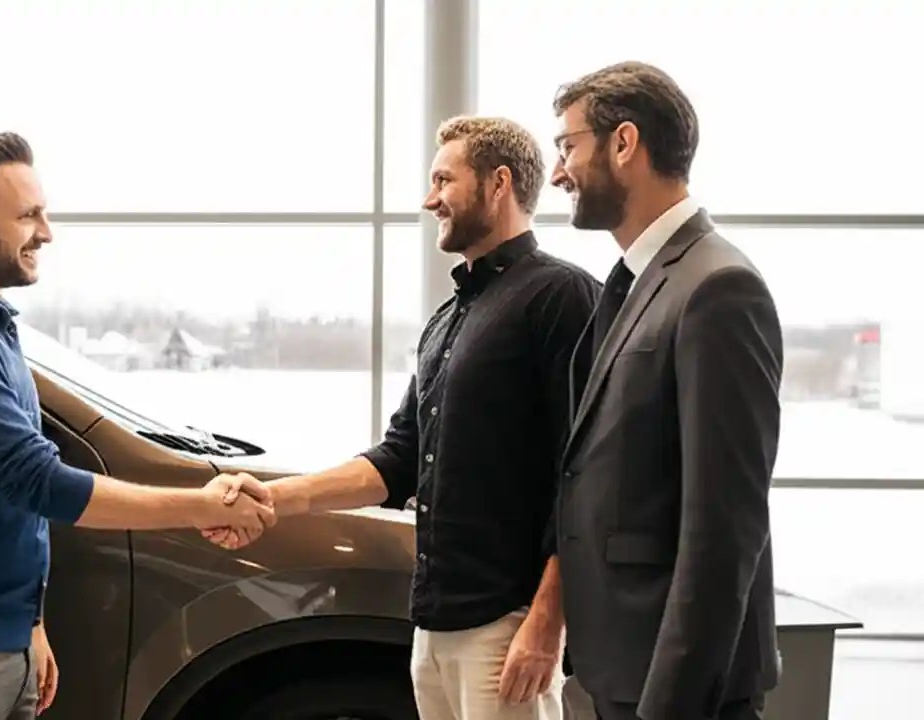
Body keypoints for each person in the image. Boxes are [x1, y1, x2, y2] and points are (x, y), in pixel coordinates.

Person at [0, 130, 275, 720]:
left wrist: (28, 623)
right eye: (28, 215)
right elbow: (38, 483)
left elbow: (5, 504)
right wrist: (203, 507)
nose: (46, 232)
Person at [205, 116, 600, 720]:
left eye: (444, 178)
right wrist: (275, 499)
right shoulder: (448, 319)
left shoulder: (562, 297)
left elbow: (582, 476)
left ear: (498, 183)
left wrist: (547, 625)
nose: (428, 198)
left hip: (508, 626)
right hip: (433, 629)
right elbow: (397, 460)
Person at [545, 62, 783, 720]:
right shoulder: (638, 284)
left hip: (676, 691)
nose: (559, 171)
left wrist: (668, 706)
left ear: (624, 143)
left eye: (567, 146)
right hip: (619, 670)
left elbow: (723, 532)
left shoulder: (717, 288)